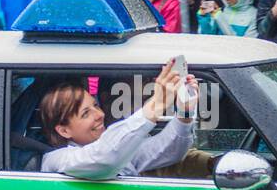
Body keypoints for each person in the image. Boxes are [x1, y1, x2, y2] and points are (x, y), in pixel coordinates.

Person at [39, 62, 196, 180]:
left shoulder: (115, 146)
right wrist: (156, 105)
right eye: (86, 113)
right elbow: (104, 158)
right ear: (64, 130)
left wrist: (185, 112)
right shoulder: (56, 160)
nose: (99, 114)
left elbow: (166, 150)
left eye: (95, 105)